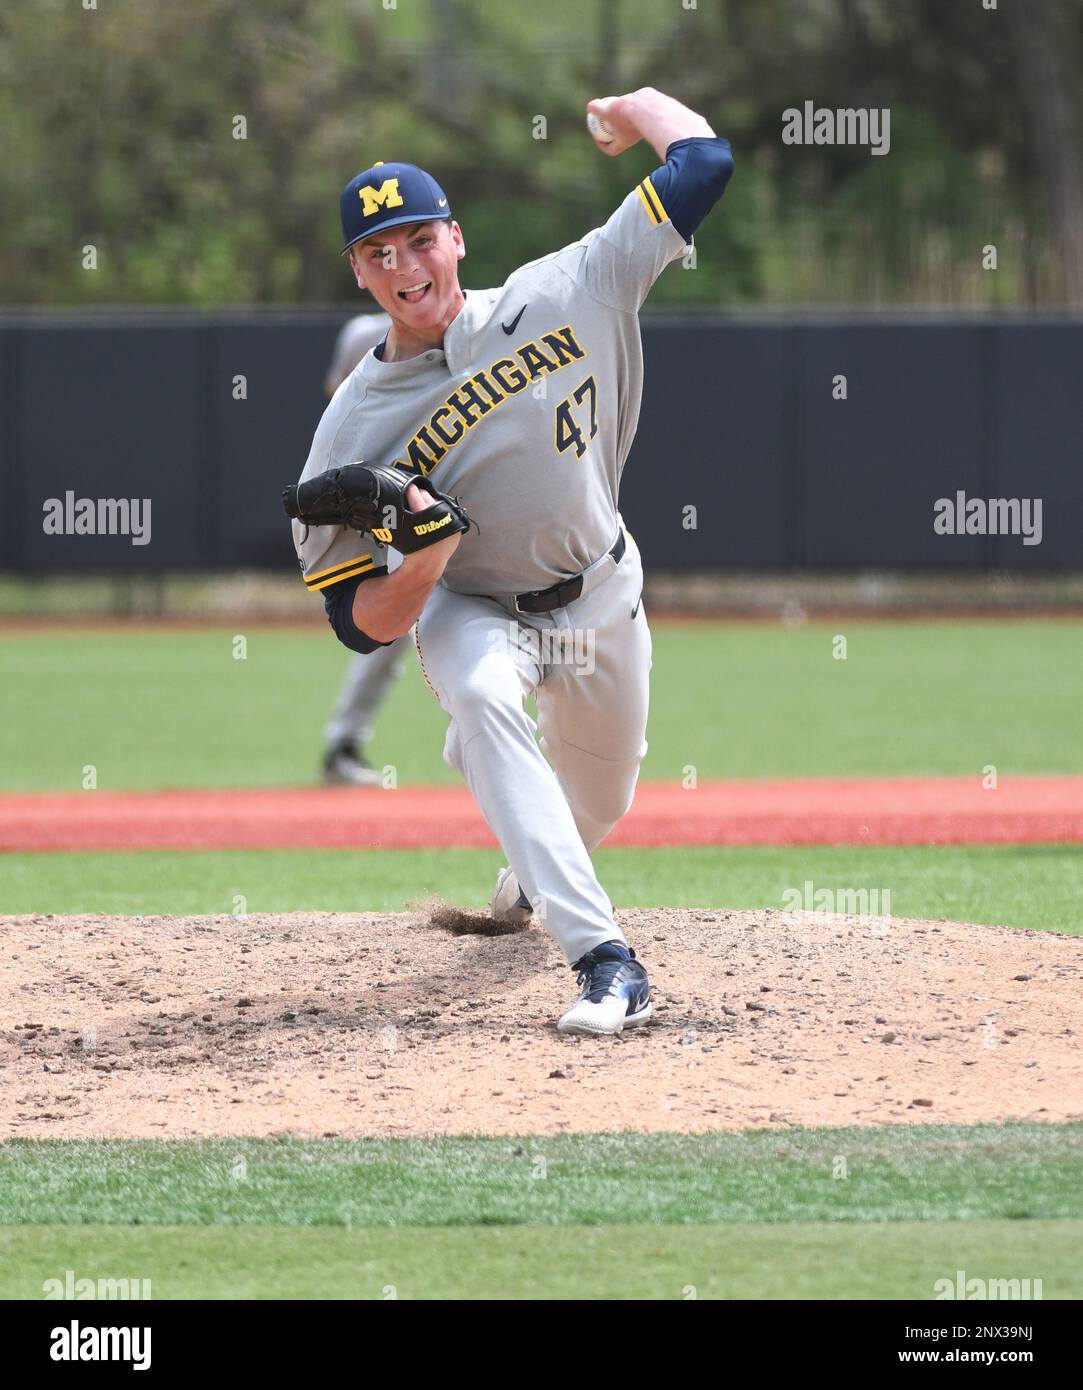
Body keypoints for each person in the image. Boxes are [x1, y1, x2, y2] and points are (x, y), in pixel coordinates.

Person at [289, 87, 733, 1033]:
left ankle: (525, 852)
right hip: (474, 606)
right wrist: (421, 559)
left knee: (600, 801)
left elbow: (703, 166)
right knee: (486, 695)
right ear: (358, 274)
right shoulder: (351, 427)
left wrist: (629, 104)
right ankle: (608, 964)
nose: (403, 265)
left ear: (454, 237)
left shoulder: (570, 288)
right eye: (377, 252)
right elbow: (354, 625)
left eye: (417, 238)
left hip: (601, 592)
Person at [318, 312, 409, 787]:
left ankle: (343, 743)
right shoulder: (360, 332)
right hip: (377, 498)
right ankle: (343, 744)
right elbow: (338, 401)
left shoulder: (456, 322)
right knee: (390, 629)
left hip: (436, 493)